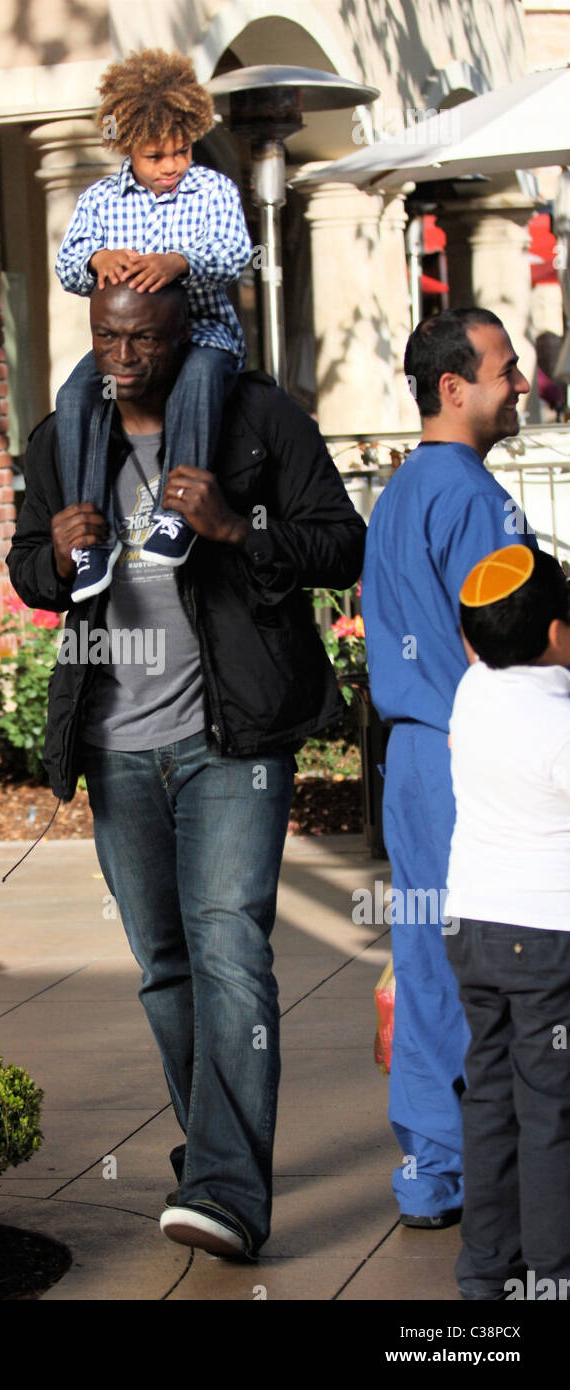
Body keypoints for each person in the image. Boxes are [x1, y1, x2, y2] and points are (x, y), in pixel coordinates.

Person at [7, 279, 366, 1258]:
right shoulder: (65, 435)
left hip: (230, 738)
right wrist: (55, 555)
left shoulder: (255, 418)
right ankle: (217, 1152)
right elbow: (26, 560)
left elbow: (344, 542)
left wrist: (239, 531)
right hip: (116, 744)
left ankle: (224, 1191)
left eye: (145, 340)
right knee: (166, 967)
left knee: (231, 952)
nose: (124, 359)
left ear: (184, 333)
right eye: (106, 338)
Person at [361, 308, 535, 1229]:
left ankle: (432, 1168)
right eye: (506, 370)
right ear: (453, 389)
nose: (521, 385)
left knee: (429, 956)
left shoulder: (401, 491)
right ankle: (505, 1163)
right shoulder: (470, 494)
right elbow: (503, 640)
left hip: (418, 755)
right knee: (515, 956)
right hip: (472, 751)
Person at [53, 48, 251, 600]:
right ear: (126, 148)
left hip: (202, 338)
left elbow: (236, 254)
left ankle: (176, 514)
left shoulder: (213, 191)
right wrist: (97, 260)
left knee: (198, 381)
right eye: (154, 155)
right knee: (74, 398)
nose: (170, 165)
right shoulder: (98, 201)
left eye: (181, 150)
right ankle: (92, 540)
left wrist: (180, 263)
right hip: (125, 352)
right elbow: (66, 265)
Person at [446, 544, 570, 1300]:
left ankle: (486, 1277)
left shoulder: (472, 689)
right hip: (545, 936)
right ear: (558, 635)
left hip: (474, 927)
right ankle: (556, 1275)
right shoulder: (558, 723)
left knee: (492, 1099)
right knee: (552, 1107)